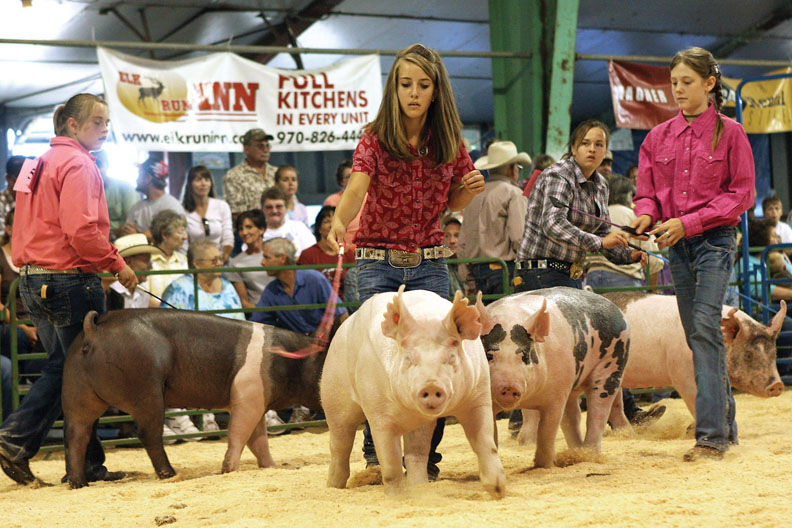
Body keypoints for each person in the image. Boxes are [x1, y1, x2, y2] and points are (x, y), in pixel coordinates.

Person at [327, 43, 485, 481]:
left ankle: (424, 461)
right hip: (377, 259)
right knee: (379, 359)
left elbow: (452, 201)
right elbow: (357, 187)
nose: (413, 93)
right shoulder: (374, 137)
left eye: (423, 85)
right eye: (405, 84)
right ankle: (379, 458)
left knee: (432, 358)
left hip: (431, 260)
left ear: (436, 91)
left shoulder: (450, 141)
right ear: (393, 89)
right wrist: (341, 219)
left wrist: (469, 191)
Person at [0, 93, 138, 485]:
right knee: (72, 369)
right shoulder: (79, 164)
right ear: (72, 125)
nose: (105, 129)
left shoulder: (33, 163)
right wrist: (117, 262)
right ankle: (15, 438)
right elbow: (81, 231)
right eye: (98, 122)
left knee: (70, 369)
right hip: (67, 279)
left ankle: (87, 464)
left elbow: (20, 221)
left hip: (32, 278)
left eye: (107, 122)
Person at [632, 47, 756, 462]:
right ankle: (726, 428)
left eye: (687, 82)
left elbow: (742, 195)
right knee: (698, 335)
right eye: (674, 83)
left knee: (703, 327)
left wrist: (689, 223)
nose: (678, 90)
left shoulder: (732, 133)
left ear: (709, 83)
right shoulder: (656, 137)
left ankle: (712, 437)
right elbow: (646, 192)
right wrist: (645, 217)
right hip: (676, 246)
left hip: (716, 242)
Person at [513, 119, 644, 293]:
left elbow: (602, 232)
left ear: (605, 151)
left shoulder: (602, 185)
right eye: (585, 143)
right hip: (539, 273)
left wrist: (628, 255)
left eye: (599, 144)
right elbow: (553, 223)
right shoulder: (559, 174)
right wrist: (601, 242)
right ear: (574, 148)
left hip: (570, 274)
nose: (592, 149)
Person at [161, 237, 245, 436]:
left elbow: (240, 321)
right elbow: (169, 327)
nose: (219, 263)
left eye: (219, 259)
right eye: (213, 260)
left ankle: (248, 410)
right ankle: (181, 413)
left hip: (226, 348)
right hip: (191, 349)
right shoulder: (180, 288)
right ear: (197, 264)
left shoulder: (228, 287)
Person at [459, 140, 530, 299]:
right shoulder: (514, 193)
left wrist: (465, 273)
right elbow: (519, 237)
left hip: (476, 272)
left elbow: (463, 239)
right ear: (513, 170)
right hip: (504, 270)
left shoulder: (473, 195)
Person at [251, 237, 347, 334]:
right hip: (296, 345)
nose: (262, 262)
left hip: (328, 341)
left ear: (282, 259)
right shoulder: (271, 291)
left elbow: (341, 314)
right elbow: (258, 323)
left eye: (267, 257)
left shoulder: (314, 279)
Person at [584, 176, 664, 290]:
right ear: (630, 195)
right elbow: (654, 260)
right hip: (625, 279)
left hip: (592, 278)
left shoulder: (595, 216)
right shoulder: (635, 217)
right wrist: (652, 290)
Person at [0, 209, 47, 384]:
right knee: (18, 336)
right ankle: (17, 385)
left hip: (37, 321)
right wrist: (24, 328)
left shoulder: (37, 257)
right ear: (9, 229)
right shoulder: (1, 257)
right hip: (8, 322)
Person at [123, 158, 185, 243]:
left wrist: (137, 236)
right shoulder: (136, 207)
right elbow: (127, 232)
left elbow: (163, 236)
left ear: (148, 178)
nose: (136, 179)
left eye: (140, 175)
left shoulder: (171, 205)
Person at [223, 128, 277, 222]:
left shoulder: (277, 173)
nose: (265, 150)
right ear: (246, 149)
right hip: (250, 232)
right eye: (260, 146)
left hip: (279, 228)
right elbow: (237, 213)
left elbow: (291, 202)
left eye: (267, 146)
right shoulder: (234, 176)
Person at [297, 206, 355, 293]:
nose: (332, 225)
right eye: (327, 222)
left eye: (335, 222)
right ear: (319, 228)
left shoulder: (348, 253)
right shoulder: (307, 255)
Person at [182, 165, 233, 262]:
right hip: (195, 262)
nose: (203, 184)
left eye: (207, 179)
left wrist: (223, 257)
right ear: (190, 184)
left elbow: (228, 236)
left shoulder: (222, 206)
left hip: (220, 260)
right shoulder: (182, 210)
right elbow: (184, 244)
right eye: (198, 180)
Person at [225, 209, 273, 312]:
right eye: (240, 229)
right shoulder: (236, 263)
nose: (244, 232)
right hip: (258, 314)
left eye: (249, 227)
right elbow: (244, 303)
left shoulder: (276, 253)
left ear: (261, 229)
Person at [105, 233, 165, 310]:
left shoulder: (143, 293)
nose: (151, 267)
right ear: (128, 262)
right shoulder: (109, 291)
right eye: (146, 261)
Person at [94, 150, 138, 241]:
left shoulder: (124, 187)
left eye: (99, 166)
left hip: (121, 239)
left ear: (107, 165)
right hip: (97, 239)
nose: (96, 170)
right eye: (92, 166)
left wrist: (113, 235)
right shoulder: (86, 191)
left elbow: (130, 223)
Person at [261, 187, 316, 257]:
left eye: (279, 206)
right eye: (269, 207)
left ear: (286, 208)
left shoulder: (299, 227)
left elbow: (312, 255)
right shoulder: (257, 232)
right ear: (262, 209)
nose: (274, 211)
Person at [148, 209, 189, 303]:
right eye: (180, 232)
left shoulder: (183, 260)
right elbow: (144, 298)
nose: (185, 237)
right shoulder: (147, 260)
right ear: (165, 235)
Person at [324, 160, 364, 249]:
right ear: (341, 181)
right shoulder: (332, 201)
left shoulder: (370, 197)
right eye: (349, 176)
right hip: (344, 249)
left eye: (356, 175)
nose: (354, 179)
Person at [0, 156, 29, 236]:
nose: (24, 184)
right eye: (19, 178)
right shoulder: (1, 202)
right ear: (8, 178)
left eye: (27, 179)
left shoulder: (32, 201)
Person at [441, 212, 468, 297]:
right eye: (447, 236)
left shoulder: (472, 264)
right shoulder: (440, 267)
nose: (452, 241)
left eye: (457, 235)